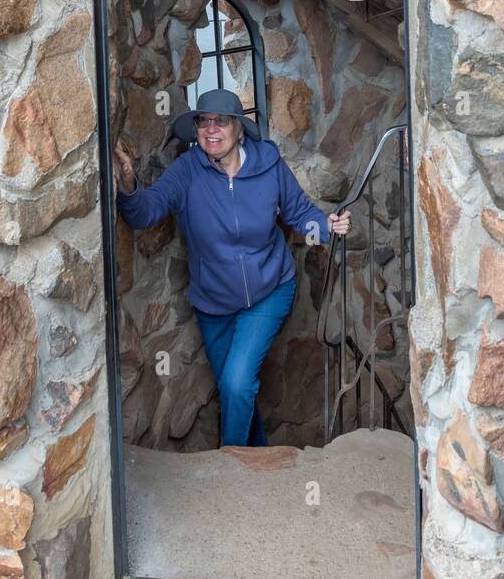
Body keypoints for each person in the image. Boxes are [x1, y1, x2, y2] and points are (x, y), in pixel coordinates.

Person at [113, 88, 351, 448]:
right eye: (204, 121)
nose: (212, 129)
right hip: (214, 304)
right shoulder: (188, 170)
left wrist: (327, 226)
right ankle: (259, 460)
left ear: (239, 129)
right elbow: (145, 212)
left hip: (269, 290)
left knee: (238, 383)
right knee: (233, 388)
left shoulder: (268, 162)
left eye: (221, 121)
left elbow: (299, 213)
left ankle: (231, 470)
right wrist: (129, 182)